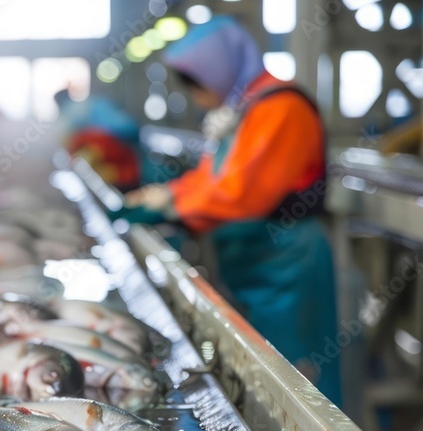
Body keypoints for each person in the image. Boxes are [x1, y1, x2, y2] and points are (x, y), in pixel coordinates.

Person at [122, 17, 342, 405]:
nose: (193, 93)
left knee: (302, 387)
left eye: (197, 81)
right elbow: (212, 178)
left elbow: (242, 193)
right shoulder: (245, 107)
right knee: (263, 380)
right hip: (253, 260)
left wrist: (172, 205)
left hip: (286, 263)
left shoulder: (281, 107)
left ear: (220, 68)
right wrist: (167, 193)